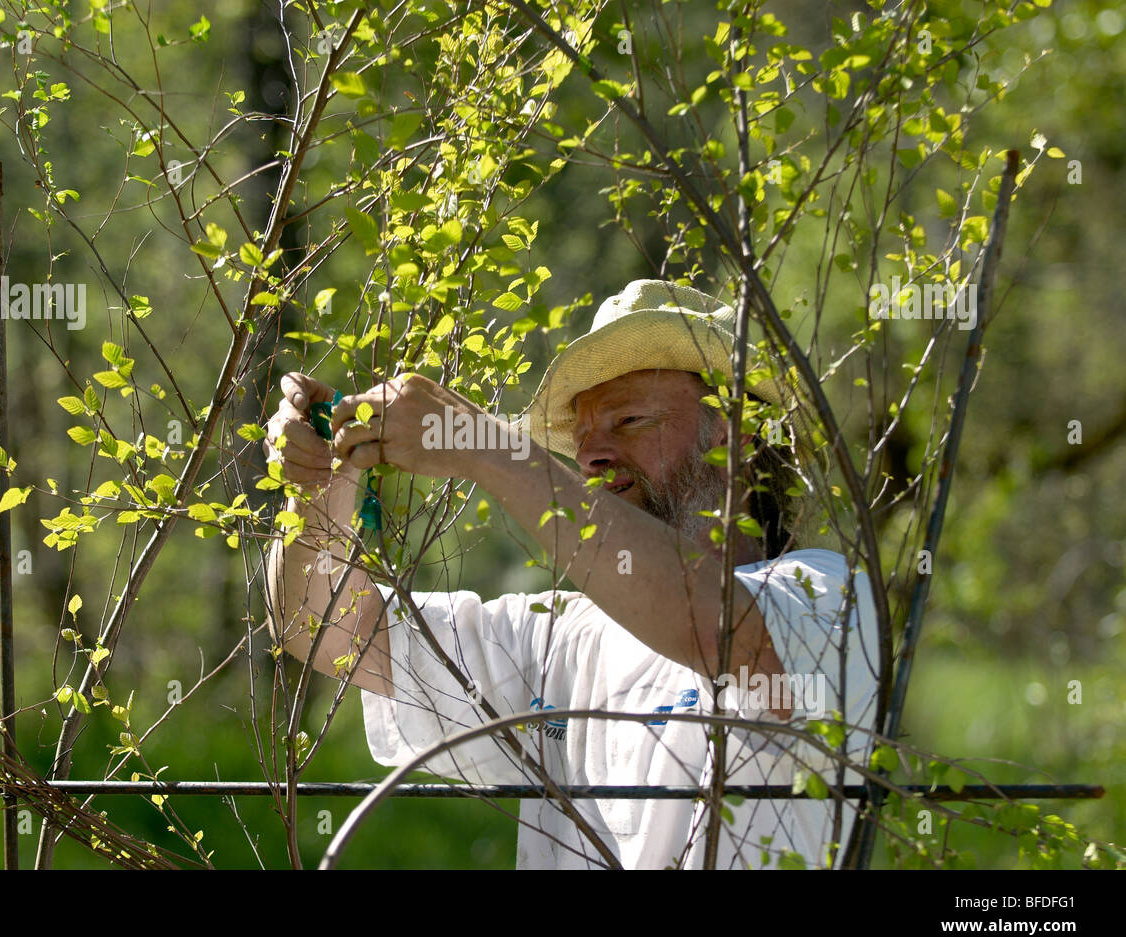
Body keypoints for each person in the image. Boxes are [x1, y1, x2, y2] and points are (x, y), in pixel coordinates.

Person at [264, 279, 880, 869]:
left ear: (737, 432)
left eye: (630, 421)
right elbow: (329, 632)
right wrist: (320, 486)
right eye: (582, 438)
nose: (592, 456)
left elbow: (724, 634)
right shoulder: (557, 637)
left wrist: (487, 445)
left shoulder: (823, 594)